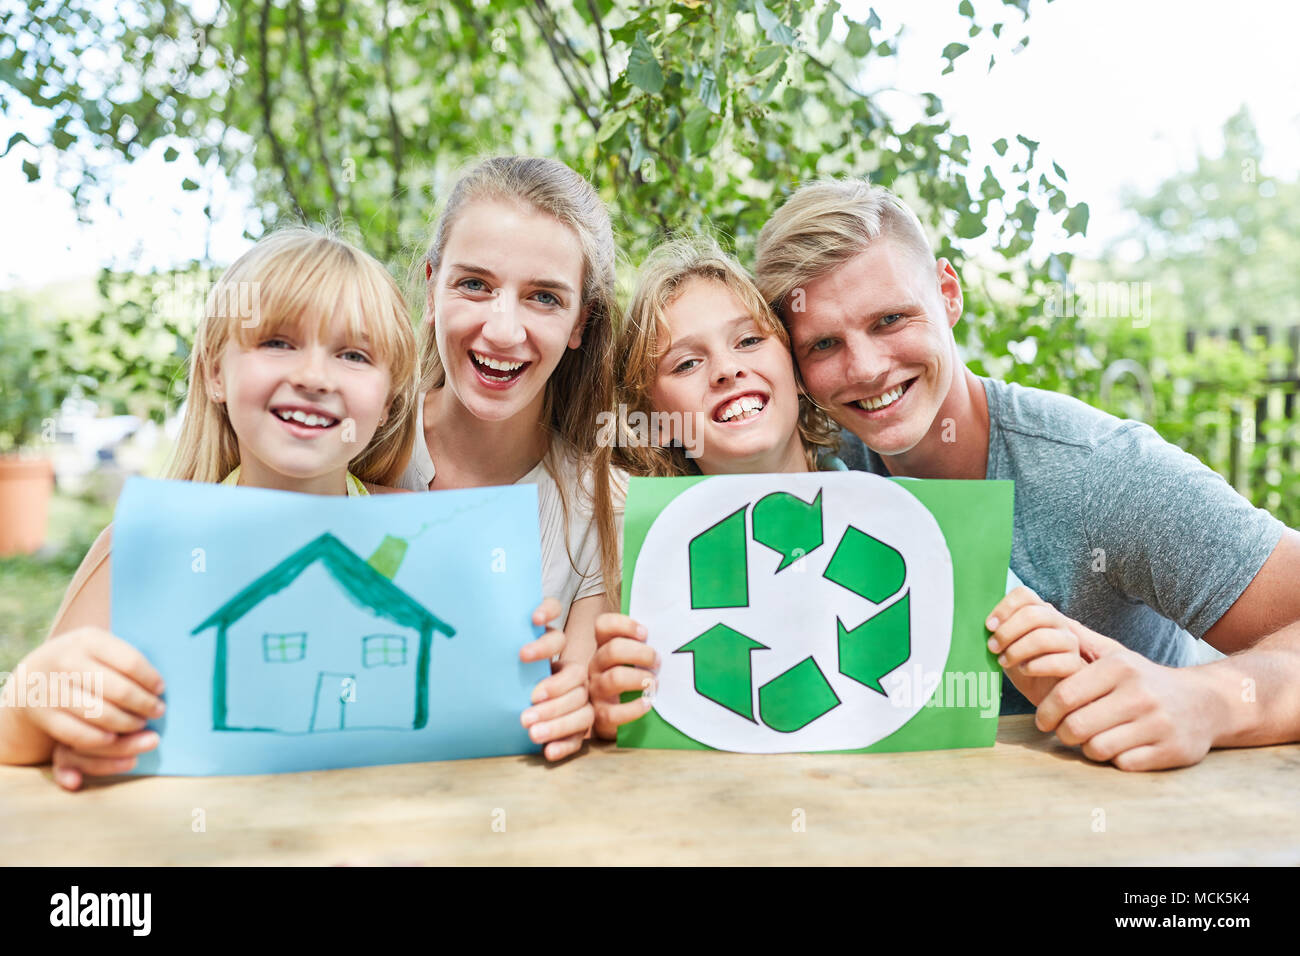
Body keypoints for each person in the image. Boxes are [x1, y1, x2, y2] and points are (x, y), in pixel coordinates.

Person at [751, 178, 1300, 770]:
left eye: (890, 319)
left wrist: (1207, 701)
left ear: (948, 294)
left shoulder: (1099, 473)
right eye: (825, 343)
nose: (865, 368)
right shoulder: (814, 472)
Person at [0, 227, 568, 787]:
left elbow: (497, 729)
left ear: (390, 398)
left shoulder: (435, 550)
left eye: (352, 354)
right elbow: (18, 741)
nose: (314, 377)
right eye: (278, 343)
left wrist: (544, 690)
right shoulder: (137, 551)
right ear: (216, 372)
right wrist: (29, 703)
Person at [588, 236, 1077, 738]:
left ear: (796, 369)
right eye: (686, 363)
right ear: (655, 418)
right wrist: (606, 713)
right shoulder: (642, 562)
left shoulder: (918, 523)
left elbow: (1057, 682)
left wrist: (1051, 672)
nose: (727, 369)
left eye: (750, 341)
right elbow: (620, 718)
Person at [400, 156, 622, 760]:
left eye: (544, 298)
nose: (502, 331)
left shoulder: (603, 506)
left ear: (581, 322)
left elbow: (571, 699)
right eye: (474, 285)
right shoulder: (350, 448)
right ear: (431, 288)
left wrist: (572, 706)